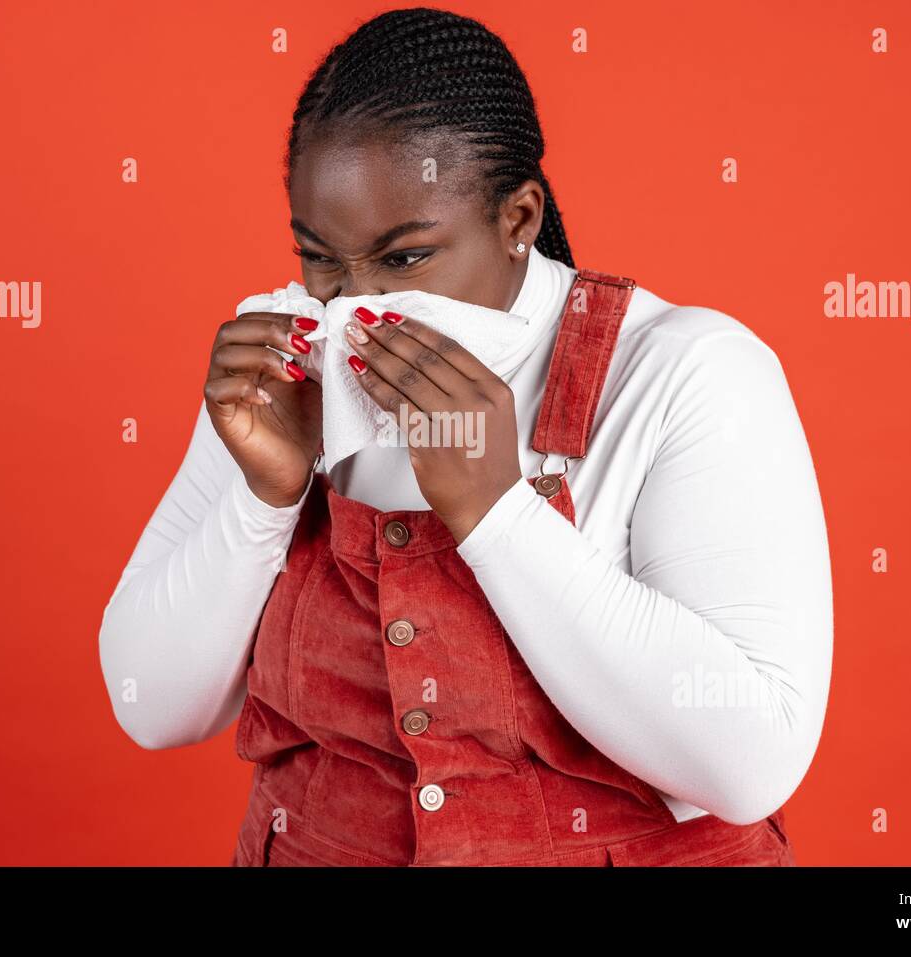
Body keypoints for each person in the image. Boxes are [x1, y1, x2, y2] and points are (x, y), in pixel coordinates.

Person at [98, 6, 832, 867]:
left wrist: (496, 512)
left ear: (519, 218)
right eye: (320, 258)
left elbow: (750, 765)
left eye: (404, 258)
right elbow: (151, 705)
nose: (352, 305)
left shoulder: (685, 373)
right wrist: (264, 495)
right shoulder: (286, 371)